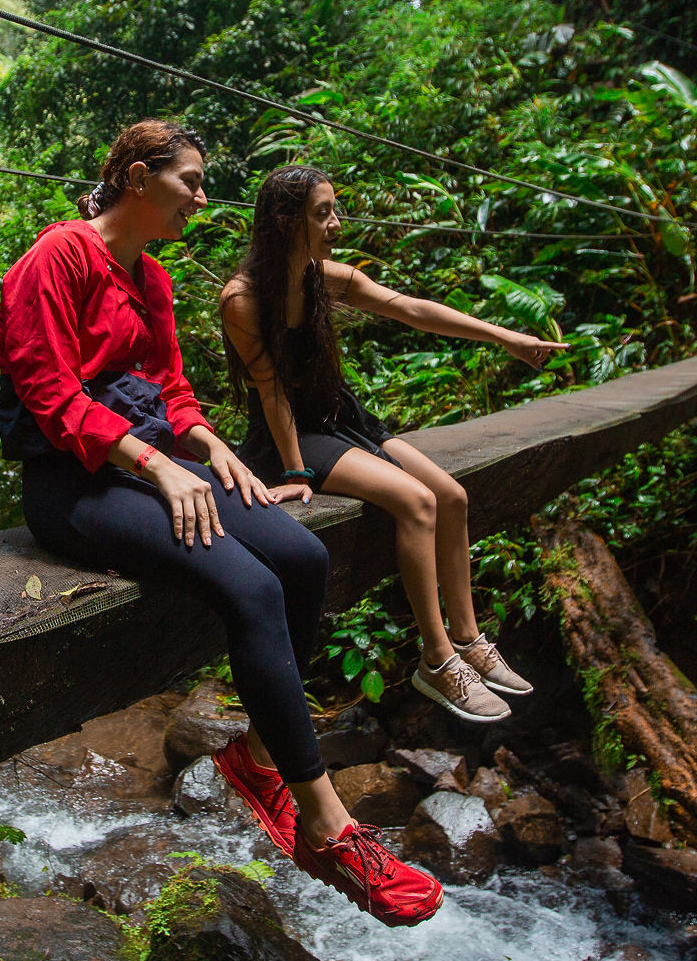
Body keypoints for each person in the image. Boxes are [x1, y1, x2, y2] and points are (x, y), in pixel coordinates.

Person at [0, 121, 442, 927]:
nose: (204, 199)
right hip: (74, 485)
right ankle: (327, 824)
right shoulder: (55, 258)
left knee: (301, 557)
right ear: (138, 177)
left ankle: (258, 759)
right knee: (249, 584)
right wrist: (162, 464)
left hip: (150, 466)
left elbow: (171, 389)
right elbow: (47, 391)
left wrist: (206, 446)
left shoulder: (154, 281)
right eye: (192, 182)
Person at [220, 165, 569, 724]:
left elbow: (409, 308)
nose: (336, 223)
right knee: (417, 501)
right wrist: (296, 471)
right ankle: (435, 658)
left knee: (451, 495)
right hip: (292, 437)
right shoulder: (243, 299)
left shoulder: (324, 277)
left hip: (342, 417)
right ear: (286, 222)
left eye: (335, 209)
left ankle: (470, 639)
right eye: (322, 213)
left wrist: (505, 336)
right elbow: (273, 394)